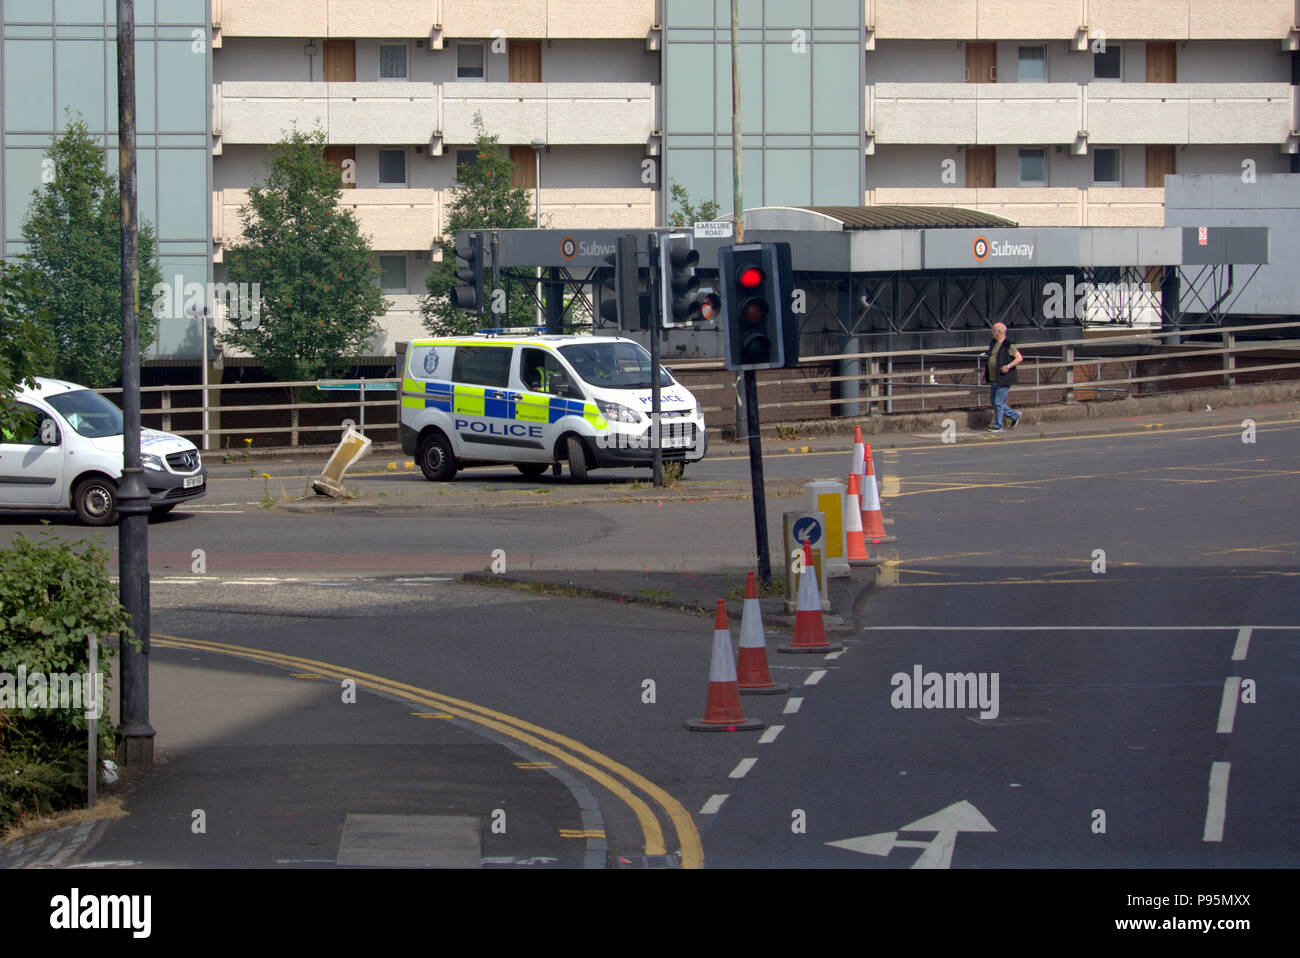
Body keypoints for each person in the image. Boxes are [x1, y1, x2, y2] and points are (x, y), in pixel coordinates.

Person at [983, 322, 1023, 433]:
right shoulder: (993, 343)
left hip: (1004, 377)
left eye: (993, 330)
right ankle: (1014, 415)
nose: (992, 333)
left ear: (999, 332)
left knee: (998, 402)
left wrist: (1008, 366)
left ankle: (998, 425)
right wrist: (984, 371)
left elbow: (1019, 358)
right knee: (994, 401)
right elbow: (991, 358)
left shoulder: (1008, 345)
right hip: (994, 377)